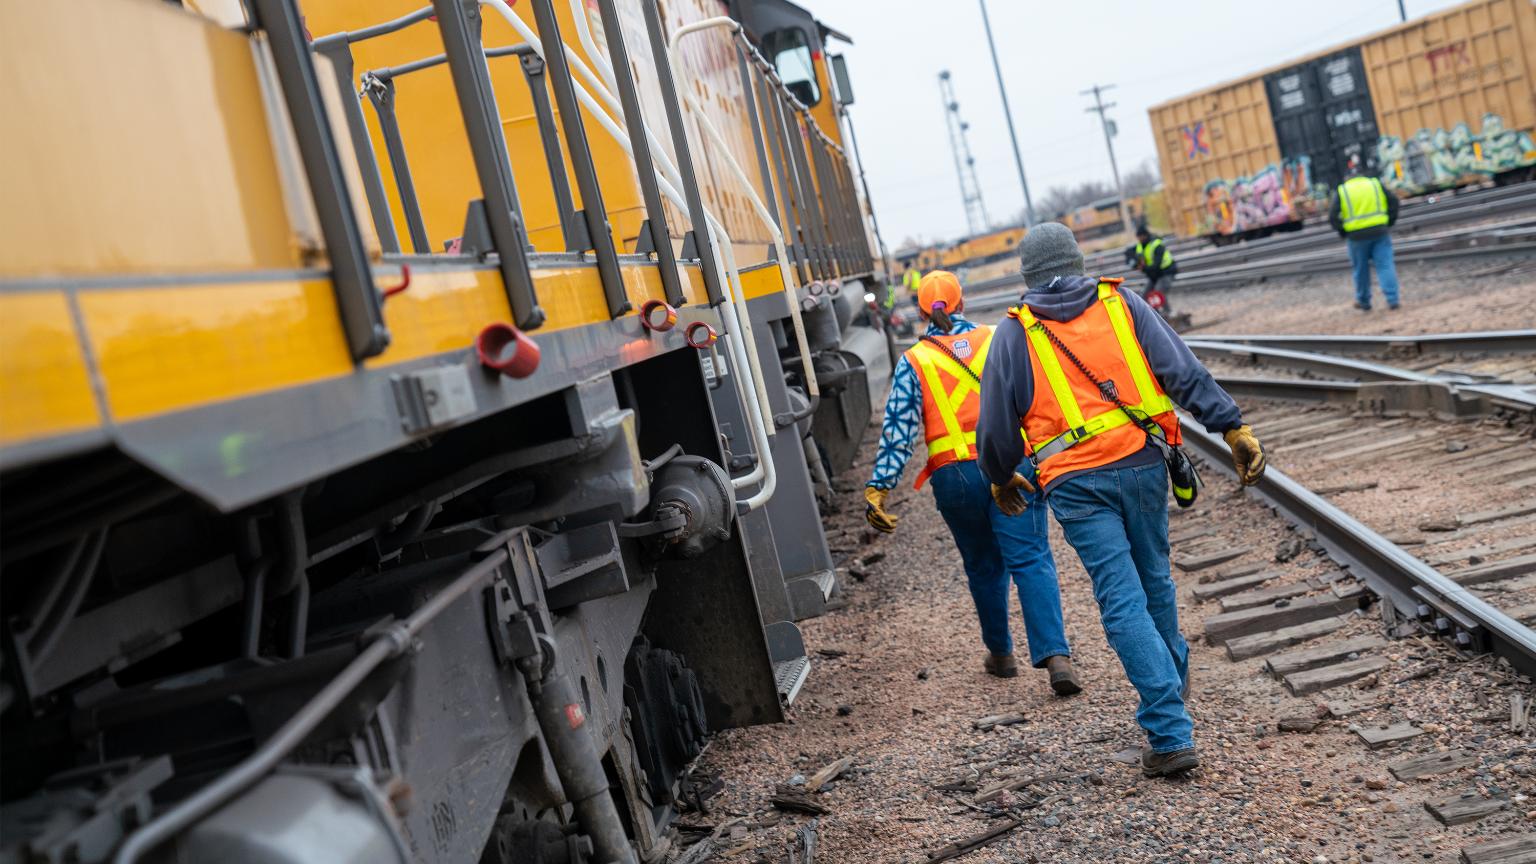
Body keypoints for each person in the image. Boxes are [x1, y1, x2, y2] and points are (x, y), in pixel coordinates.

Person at [976, 223, 1266, 777]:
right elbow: (1181, 371)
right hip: (1142, 464)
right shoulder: (1121, 303)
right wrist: (1231, 427)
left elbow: (995, 426)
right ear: (1079, 261)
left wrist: (999, 475)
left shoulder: (1014, 333)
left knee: (1120, 595)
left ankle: (1169, 729)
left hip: (1076, 482)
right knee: (1154, 578)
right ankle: (1170, 685)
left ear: (1027, 278)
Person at [864, 270, 1082, 695]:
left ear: (922, 311)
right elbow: (1040, 393)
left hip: (954, 477)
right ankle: (1057, 658)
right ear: (961, 303)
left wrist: (880, 487)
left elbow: (898, 430)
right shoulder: (999, 336)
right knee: (1031, 558)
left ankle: (1001, 655)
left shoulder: (915, 360)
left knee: (983, 566)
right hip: (1010, 463)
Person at [1328, 156, 1401, 311]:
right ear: (1362, 174)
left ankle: (1364, 301)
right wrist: (1389, 221)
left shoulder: (1343, 190)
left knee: (1360, 270)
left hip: (1356, 236)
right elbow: (1394, 201)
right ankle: (1393, 299)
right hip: (1380, 231)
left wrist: (1343, 231)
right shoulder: (1374, 184)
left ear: (1347, 176)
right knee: (1385, 265)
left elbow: (1332, 216)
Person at [1132, 225, 1177, 314]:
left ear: (1145, 235)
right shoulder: (1140, 246)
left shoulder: (1157, 245)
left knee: (1158, 292)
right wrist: (1134, 264)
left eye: (1141, 236)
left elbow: (1156, 265)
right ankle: (1156, 315)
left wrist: (1143, 268)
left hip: (1166, 272)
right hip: (1154, 275)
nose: (1139, 239)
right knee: (1144, 295)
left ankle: (1168, 313)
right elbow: (1136, 257)